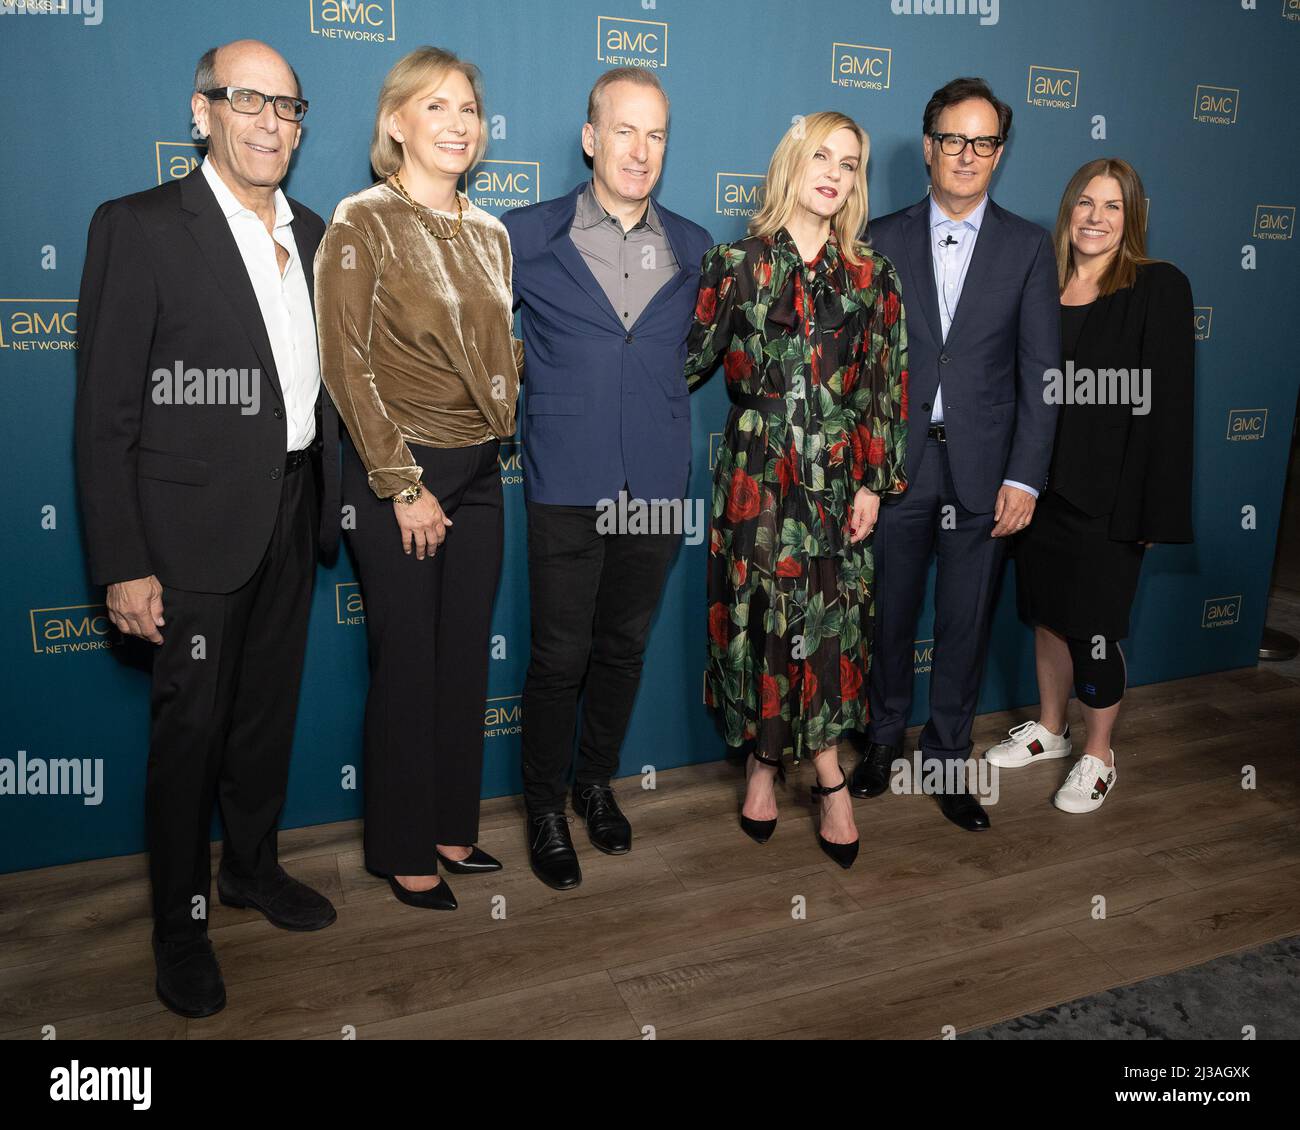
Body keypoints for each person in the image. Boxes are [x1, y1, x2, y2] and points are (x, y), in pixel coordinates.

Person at [74, 39, 340, 1019]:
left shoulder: (316, 232)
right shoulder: (139, 227)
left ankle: (251, 869)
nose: (272, 122)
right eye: (248, 101)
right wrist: (123, 563)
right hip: (185, 533)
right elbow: (104, 414)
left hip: (294, 505)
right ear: (203, 112)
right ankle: (181, 923)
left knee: (264, 715)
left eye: (289, 106)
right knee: (190, 734)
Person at [314, 47, 521, 910]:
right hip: (398, 470)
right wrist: (402, 483)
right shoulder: (361, 221)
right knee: (408, 660)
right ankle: (399, 846)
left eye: (468, 109)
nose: (457, 124)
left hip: (479, 470)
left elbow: (496, 354)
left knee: (462, 656)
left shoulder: (490, 230)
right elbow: (343, 364)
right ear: (395, 122)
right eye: (436, 107)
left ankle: (448, 825)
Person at [502, 68, 712, 890]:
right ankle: (545, 806)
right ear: (591, 138)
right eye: (624, 131)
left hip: (656, 484)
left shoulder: (696, 249)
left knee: (623, 648)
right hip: (563, 479)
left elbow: (694, 357)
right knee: (558, 656)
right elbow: (479, 348)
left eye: (656, 134)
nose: (640, 150)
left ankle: (596, 783)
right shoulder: (524, 235)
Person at [684, 112, 908, 869]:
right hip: (755, 470)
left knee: (832, 623)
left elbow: (884, 385)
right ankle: (765, 763)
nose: (834, 173)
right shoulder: (734, 263)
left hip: (839, 473)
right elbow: (678, 367)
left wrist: (875, 481)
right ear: (792, 162)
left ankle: (828, 777)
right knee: (763, 619)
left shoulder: (875, 275)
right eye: (821, 155)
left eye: (849, 163)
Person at [848, 76, 1060, 830]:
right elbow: (862, 366)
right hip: (897, 467)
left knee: (965, 626)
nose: (966, 154)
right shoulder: (878, 235)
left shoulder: (1029, 246)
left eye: (983, 141)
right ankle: (879, 742)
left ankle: (945, 759)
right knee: (889, 618)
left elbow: (1042, 374)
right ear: (929, 146)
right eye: (952, 139)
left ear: (999, 153)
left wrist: (1025, 475)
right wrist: (864, 467)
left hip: (984, 470)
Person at [984, 158, 1194, 812]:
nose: (1096, 218)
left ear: (1132, 219)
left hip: (1111, 498)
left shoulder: (1158, 286)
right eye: (1085, 203)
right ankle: (1053, 729)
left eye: (1113, 207)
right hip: (1037, 488)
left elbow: (1169, 405)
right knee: (1048, 616)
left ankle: (1100, 754)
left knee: (1094, 628)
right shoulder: (1041, 281)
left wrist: (1151, 511)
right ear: (1067, 209)